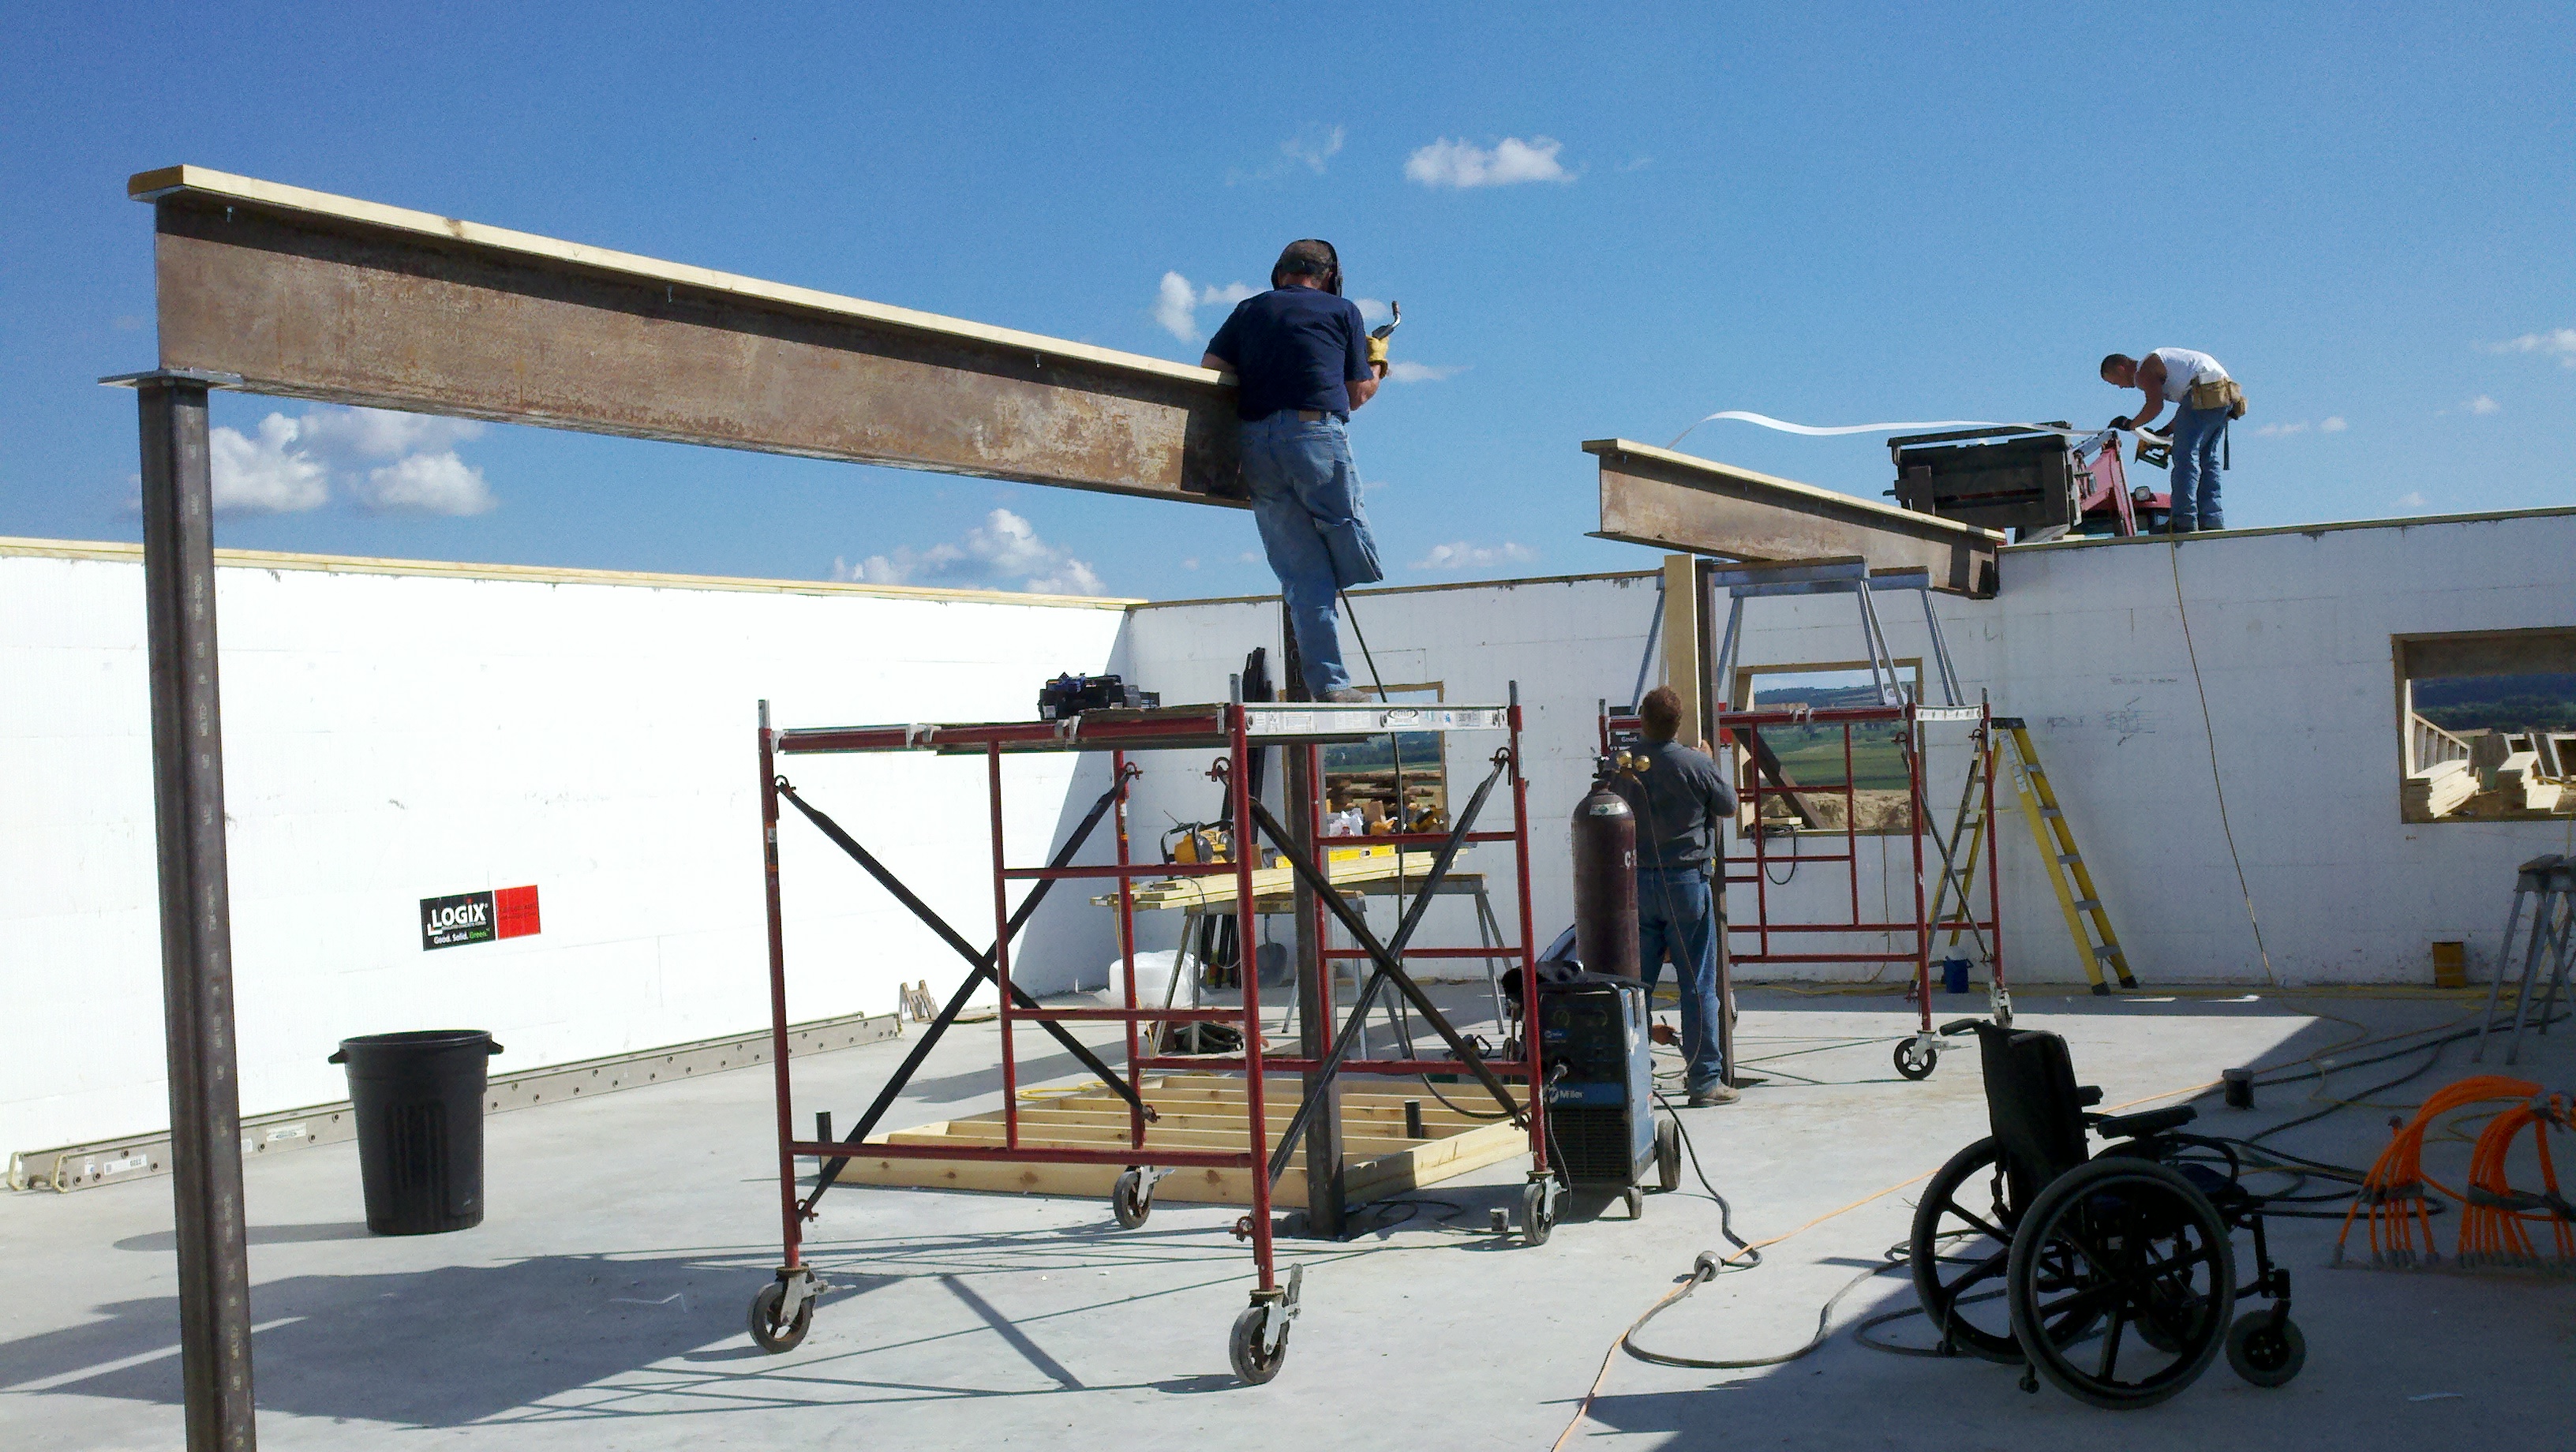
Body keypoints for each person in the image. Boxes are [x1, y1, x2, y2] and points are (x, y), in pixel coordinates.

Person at [1201, 240, 1386, 702]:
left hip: (1256, 445)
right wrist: (1378, 362)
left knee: (1302, 576)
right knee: (1345, 530)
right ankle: (1345, 585)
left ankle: (1332, 686)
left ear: (1279, 273)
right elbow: (1358, 394)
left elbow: (1211, 370)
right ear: (1328, 276)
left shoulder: (1247, 311)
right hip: (1313, 437)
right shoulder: (1343, 311)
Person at [1611, 685, 1740, 1106]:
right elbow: (1727, 806)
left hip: (1636, 886)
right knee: (1698, 986)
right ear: (1677, 725)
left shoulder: (1624, 768)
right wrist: (1706, 761)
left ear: (1642, 721)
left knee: (1633, 989)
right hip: (1685, 883)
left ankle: (1634, 1079)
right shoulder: (1693, 763)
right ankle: (1704, 1083)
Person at [2100, 348, 2245, 533]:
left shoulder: (2145, 369)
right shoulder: (2163, 364)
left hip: (2205, 392)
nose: (2120, 387)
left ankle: (2183, 519)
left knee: (2185, 457)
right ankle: (2211, 520)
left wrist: (2130, 424)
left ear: (2121, 368)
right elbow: (2190, 407)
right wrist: (2167, 430)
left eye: (2115, 382)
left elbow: (2155, 405)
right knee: (2206, 458)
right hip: (2223, 395)